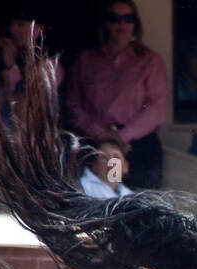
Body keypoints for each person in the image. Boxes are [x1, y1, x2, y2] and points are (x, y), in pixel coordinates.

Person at [65, 0, 167, 190]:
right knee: (103, 199)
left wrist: (122, 136)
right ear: (105, 24)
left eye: (128, 19)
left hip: (137, 147)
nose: (122, 25)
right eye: (115, 19)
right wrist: (100, 134)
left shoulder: (149, 61)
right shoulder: (87, 60)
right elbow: (73, 105)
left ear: (135, 25)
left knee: (138, 206)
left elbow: (157, 107)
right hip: (95, 145)